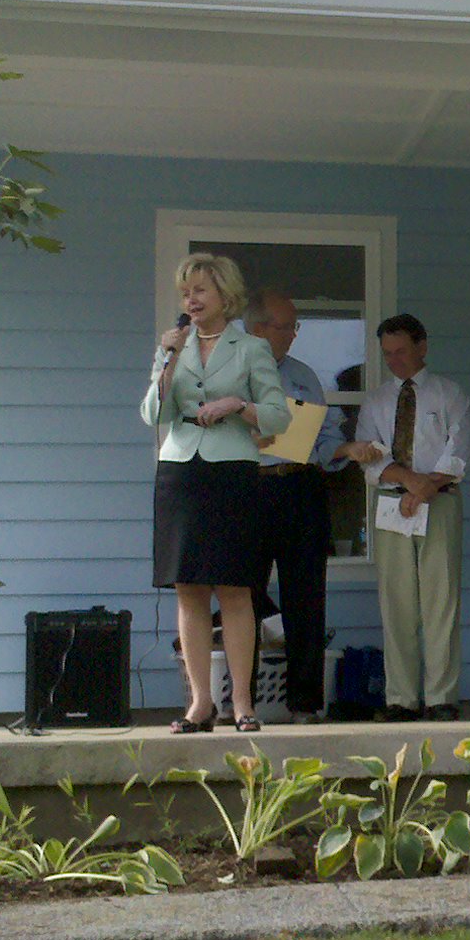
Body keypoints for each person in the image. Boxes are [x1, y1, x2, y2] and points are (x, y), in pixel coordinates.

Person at [142, 253, 290, 733]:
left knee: (235, 587)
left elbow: (278, 417)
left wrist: (238, 404)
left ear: (225, 295)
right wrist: (166, 363)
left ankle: (242, 703)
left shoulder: (251, 349)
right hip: (181, 471)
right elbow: (152, 415)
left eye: (200, 290)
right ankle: (200, 703)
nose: (191, 299)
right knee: (189, 588)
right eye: (186, 292)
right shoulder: (172, 348)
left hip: (232, 472)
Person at [342, 314, 470, 720]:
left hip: (440, 500)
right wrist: (409, 482)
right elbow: (371, 459)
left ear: (422, 346)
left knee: (440, 599)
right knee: (396, 601)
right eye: (387, 355)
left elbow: (459, 453)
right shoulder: (377, 400)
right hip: (392, 502)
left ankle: (441, 697)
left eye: (401, 352)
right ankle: (401, 698)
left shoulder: (450, 394)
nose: (395, 361)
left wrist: (425, 487)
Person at [239, 290, 347, 723]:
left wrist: (343, 450)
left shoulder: (303, 374)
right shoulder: (234, 368)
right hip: (249, 487)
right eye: (285, 327)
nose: (292, 336)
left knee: (307, 596)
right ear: (258, 328)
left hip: (299, 487)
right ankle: (242, 704)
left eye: (295, 327)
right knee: (244, 595)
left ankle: (305, 703)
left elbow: (326, 435)